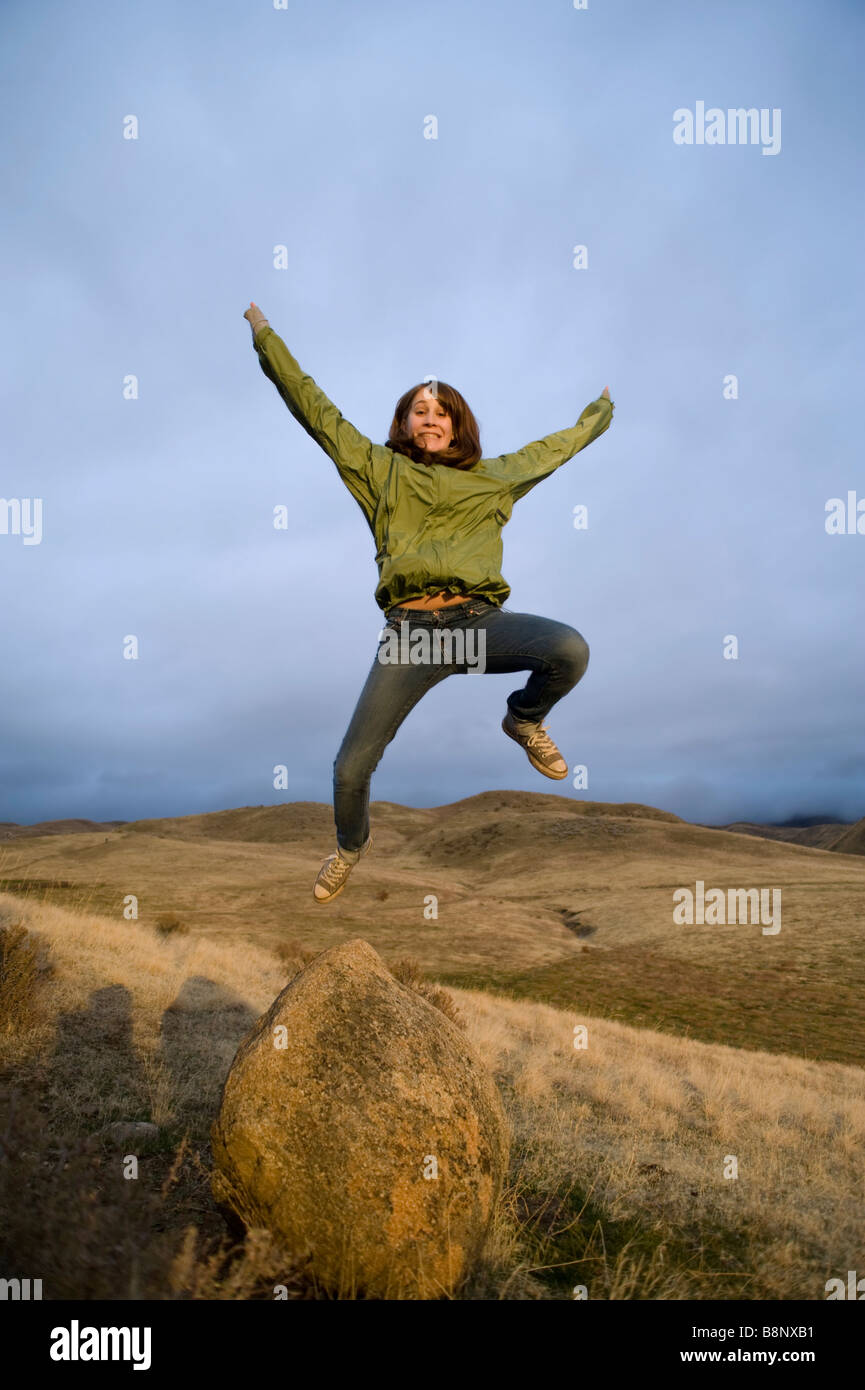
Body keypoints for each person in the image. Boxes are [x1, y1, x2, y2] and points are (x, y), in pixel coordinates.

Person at [243, 302, 614, 903]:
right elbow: (315, 410)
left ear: (457, 424)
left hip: (476, 624)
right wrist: (266, 337)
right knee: (348, 769)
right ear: (405, 423)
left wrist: (599, 413)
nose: (431, 419)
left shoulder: (492, 477)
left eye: (442, 411)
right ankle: (349, 846)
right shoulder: (377, 470)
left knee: (568, 650)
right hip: (410, 635)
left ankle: (523, 719)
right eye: (420, 410)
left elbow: (553, 449)